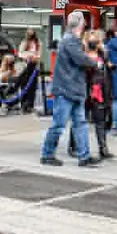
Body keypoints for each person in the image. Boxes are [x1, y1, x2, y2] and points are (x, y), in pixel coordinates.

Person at [40, 11, 100, 168]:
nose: (85, 25)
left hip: (74, 89)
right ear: (79, 24)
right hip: (66, 90)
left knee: (80, 124)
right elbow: (81, 59)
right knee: (59, 124)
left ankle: (84, 156)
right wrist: (95, 62)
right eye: (83, 22)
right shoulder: (69, 41)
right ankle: (47, 154)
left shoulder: (71, 40)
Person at [69, 30, 114, 160]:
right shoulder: (81, 54)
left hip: (98, 91)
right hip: (83, 91)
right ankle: (73, 146)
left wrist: (104, 51)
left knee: (100, 121)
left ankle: (103, 149)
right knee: (79, 119)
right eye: (91, 40)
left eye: (96, 40)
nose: (93, 43)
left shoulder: (102, 54)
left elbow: (107, 72)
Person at [17, 29, 42, 113]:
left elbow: (39, 54)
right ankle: (24, 105)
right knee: (24, 85)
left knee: (33, 87)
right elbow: (20, 54)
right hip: (26, 65)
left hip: (34, 66)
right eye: (29, 33)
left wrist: (35, 57)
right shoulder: (24, 42)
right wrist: (28, 56)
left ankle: (30, 105)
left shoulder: (38, 43)